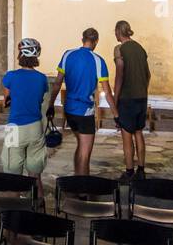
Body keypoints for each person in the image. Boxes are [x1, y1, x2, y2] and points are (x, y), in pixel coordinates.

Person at [51, 27, 114, 176]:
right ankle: (82, 190)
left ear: (82, 39)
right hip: (85, 112)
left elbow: (57, 83)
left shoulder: (68, 55)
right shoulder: (98, 61)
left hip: (69, 109)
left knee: (80, 145)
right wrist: (116, 113)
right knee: (85, 154)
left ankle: (76, 179)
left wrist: (50, 105)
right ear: (96, 41)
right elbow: (108, 92)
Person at [1, 37, 51, 193]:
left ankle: (14, 213)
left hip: (14, 128)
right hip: (35, 127)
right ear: (36, 56)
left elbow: (6, 101)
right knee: (35, 175)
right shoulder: (42, 79)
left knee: (12, 177)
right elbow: (42, 100)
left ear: (20, 55)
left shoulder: (10, 76)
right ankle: (38, 209)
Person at [112, 20, 151, 183]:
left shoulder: (119, 49)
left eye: (115, 31)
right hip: (141, 97)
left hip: (127, 99)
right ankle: (141, 170)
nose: (114, 34)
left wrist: (115, 99)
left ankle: (129, 171)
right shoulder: (140, 48)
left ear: (119, 32)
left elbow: (120, 75)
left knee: (126, 135)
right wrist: (142, 89)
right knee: (138, 132)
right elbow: (148, 75)